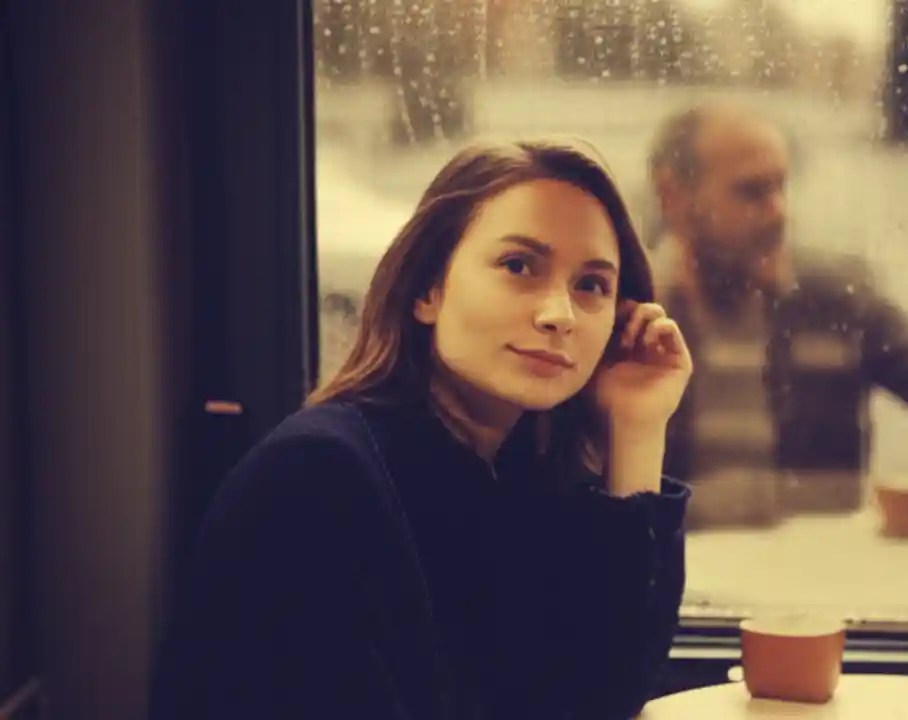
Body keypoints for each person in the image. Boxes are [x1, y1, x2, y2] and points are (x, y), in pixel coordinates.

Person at [151, 139, 694, 719]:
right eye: (519, 266)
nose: (559, 314)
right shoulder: (318, 476)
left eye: (591, 285)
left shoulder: (512, 476)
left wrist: (636, 428)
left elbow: (604, 694)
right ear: (427, 291)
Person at [646, 102, 908, 527]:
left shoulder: (837, 301)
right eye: (752, 191)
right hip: (684, 586)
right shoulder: (630, 315)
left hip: (824, 583)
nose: (779, 209)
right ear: (673, 196)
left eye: (782, 187)